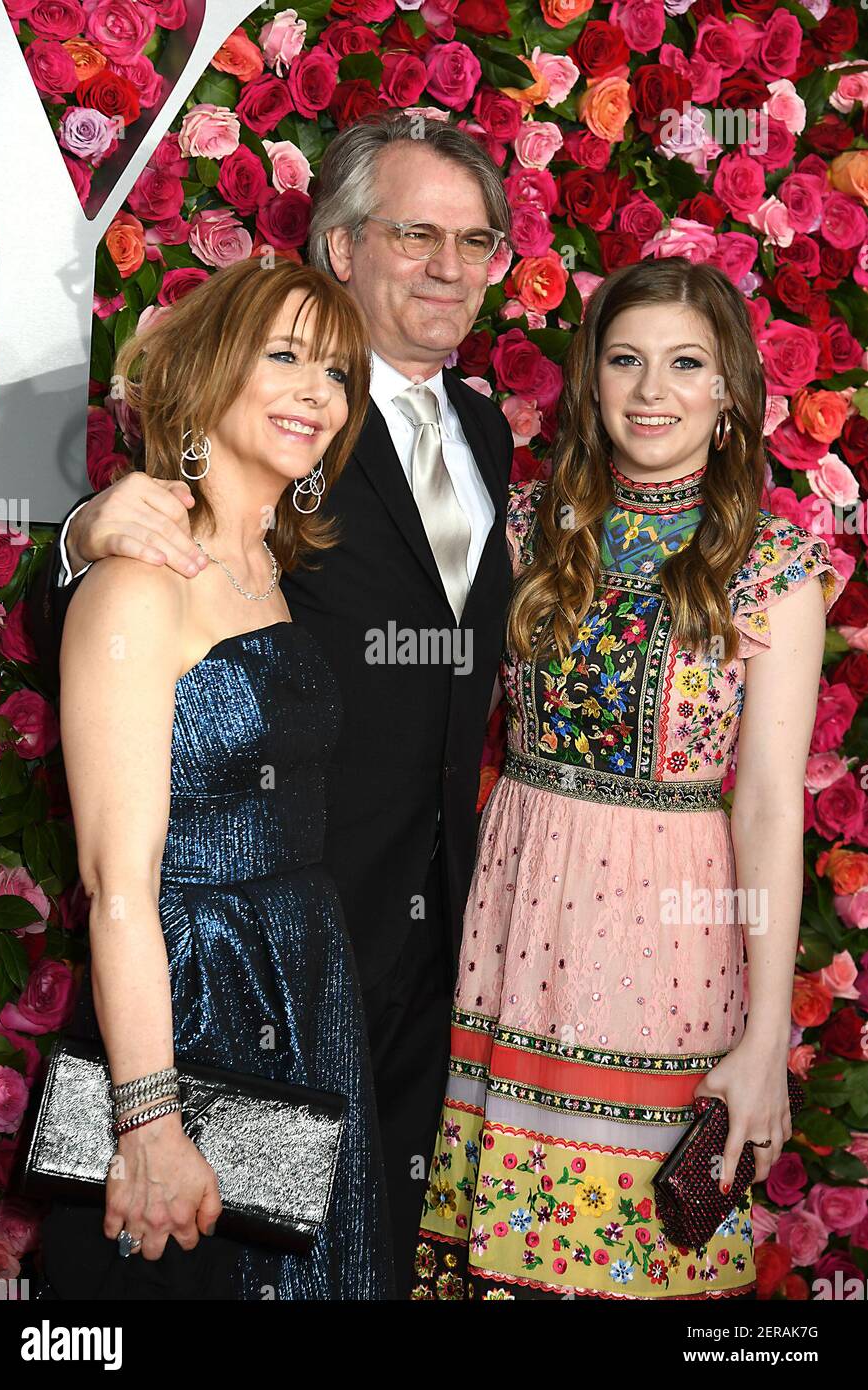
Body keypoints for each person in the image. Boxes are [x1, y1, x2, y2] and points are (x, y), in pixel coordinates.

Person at [27, 112, 515, 1297]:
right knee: (182, 1271)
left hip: (380, 956)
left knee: (347, 1260)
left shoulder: (485, 433)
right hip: (219, 966)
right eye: (416, 232)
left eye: (479, 240)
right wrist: (84, 537)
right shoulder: (217, 503)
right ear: (342, 246)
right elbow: (117, 647)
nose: (451, 265)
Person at [412, 256, 846, 1301]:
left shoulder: (771, 565)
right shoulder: (521, 531)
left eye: (685, 363)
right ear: (592, 381)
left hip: (671, 943)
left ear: (731, 393)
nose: (653, 390)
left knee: (633, 1261)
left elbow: (770, 806)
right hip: (510, 920)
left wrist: (764, 1034)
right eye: (627, 360)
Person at [33, 258, 393, 1300]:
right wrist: (149, 1121)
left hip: (299, 985)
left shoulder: (272, 568)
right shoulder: (141, 579)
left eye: (334, 371)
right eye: (283, 355)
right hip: (187, 1008)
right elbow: (118, 888)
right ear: (208, 373)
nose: (315, 392)